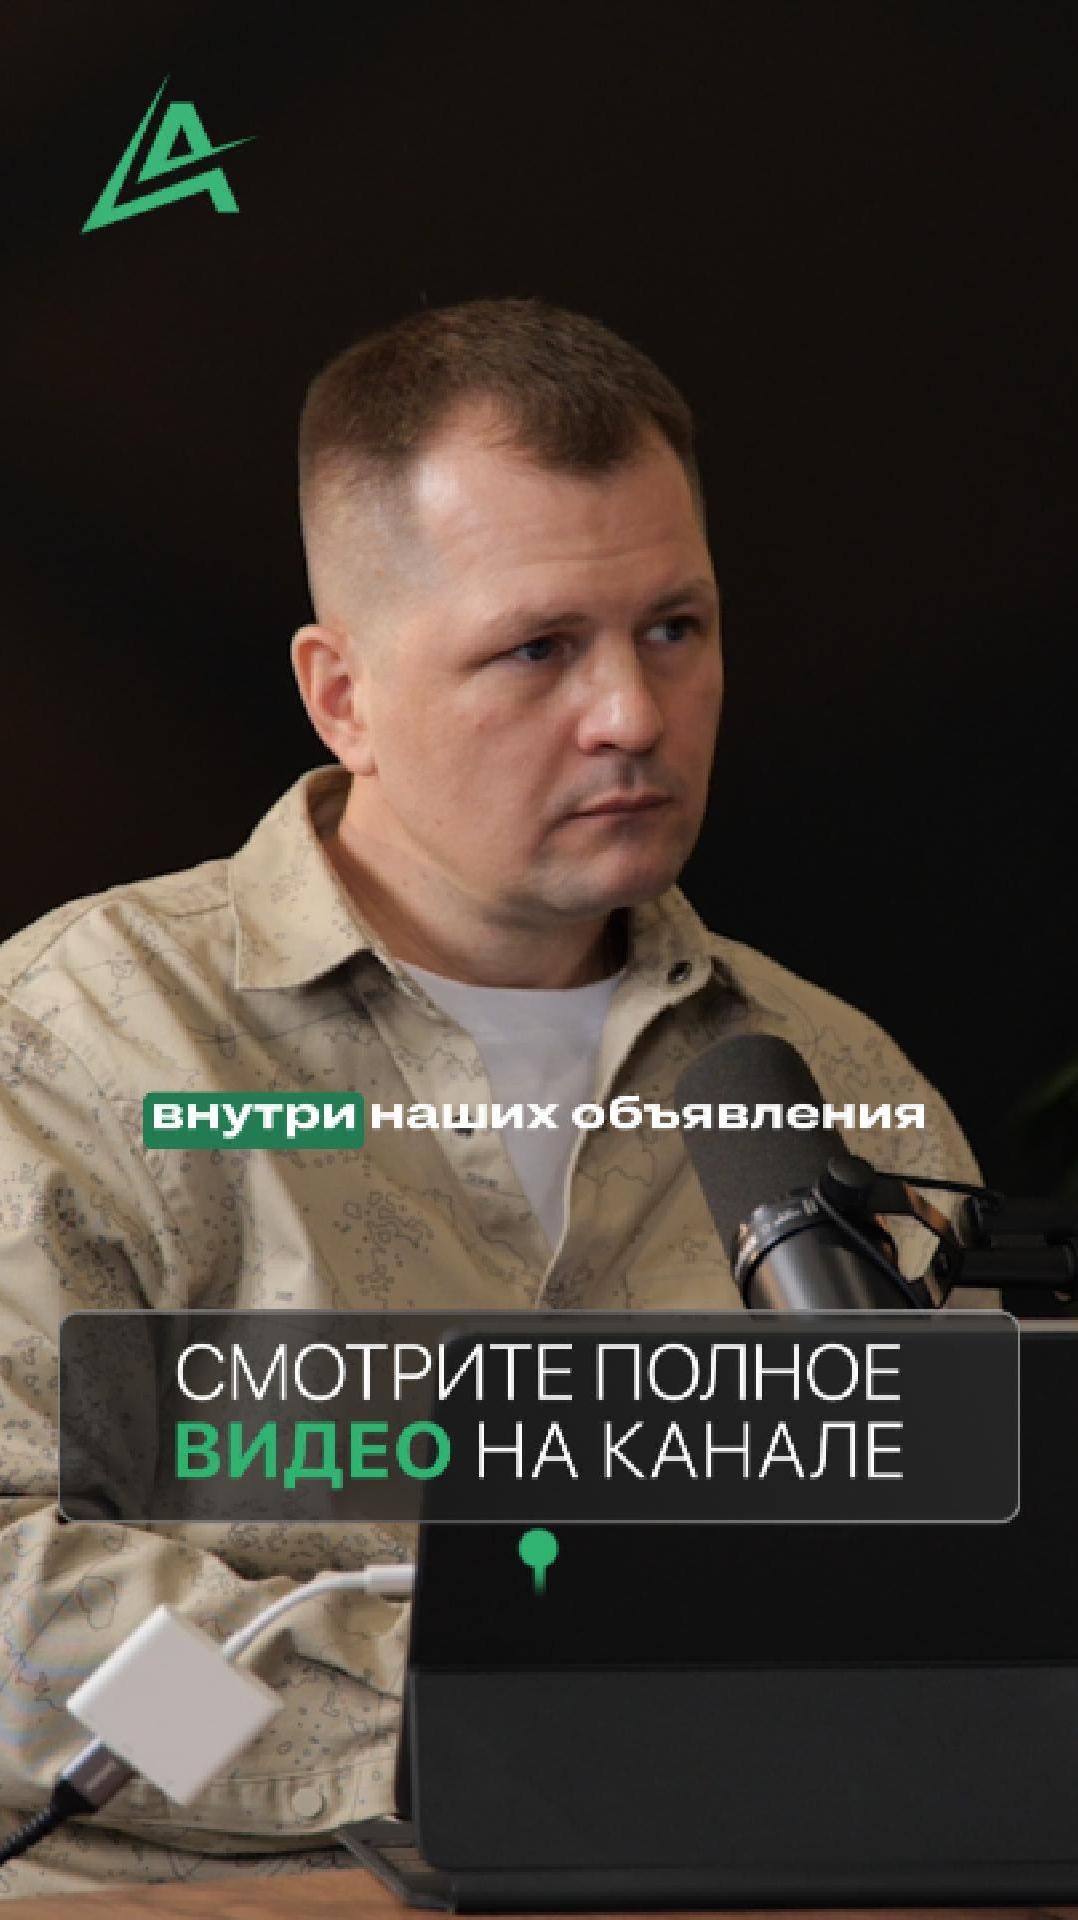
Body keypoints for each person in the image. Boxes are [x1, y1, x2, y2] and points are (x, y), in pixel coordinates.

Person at [0, 297, 995, 1895]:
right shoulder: (77, 1044)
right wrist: (426, 1731)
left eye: (673, 628)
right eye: (537, 649)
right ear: (341, 694)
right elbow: (11, 1623)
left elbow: (978, 1570)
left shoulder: (839, 1081)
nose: (631, 715)